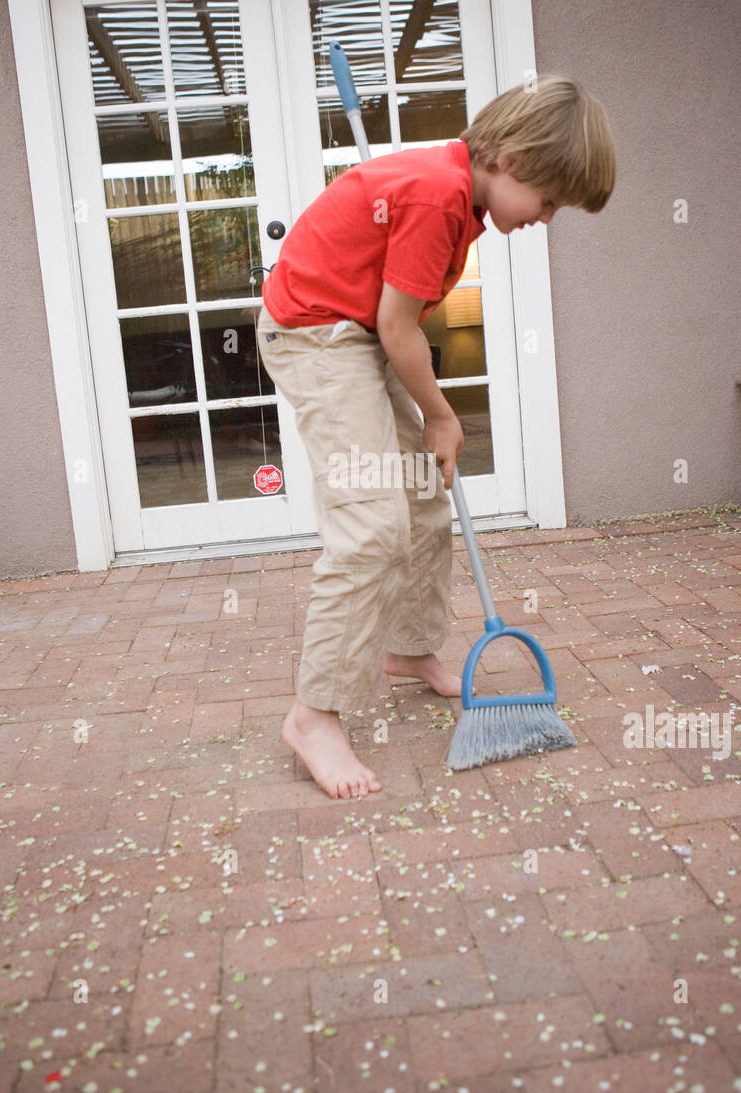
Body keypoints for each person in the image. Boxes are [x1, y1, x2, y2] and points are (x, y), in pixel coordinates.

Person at [256, 74, 615, 800]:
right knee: (371, 524)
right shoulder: (436, 195)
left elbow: (394, 322)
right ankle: (313, 713)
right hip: (317, 336)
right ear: (512, 158)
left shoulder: (459, 197)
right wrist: (442, 415)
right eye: (549, 201)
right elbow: (396, 326)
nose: (547, 218)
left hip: (358, 333)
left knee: (421, 498)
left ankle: (410, 650)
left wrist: (428, 418)